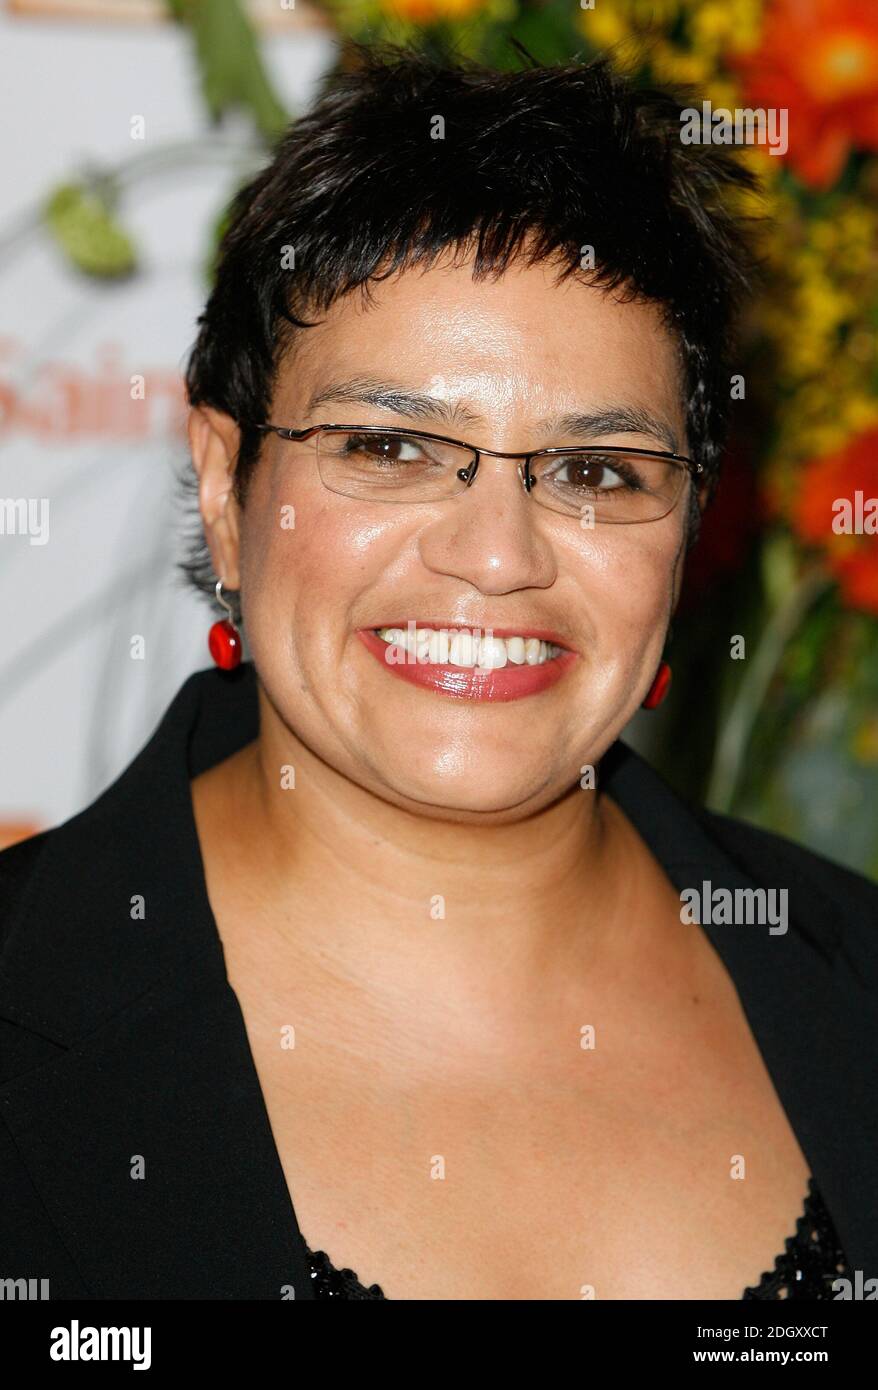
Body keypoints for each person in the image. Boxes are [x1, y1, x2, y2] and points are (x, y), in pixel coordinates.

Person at [1, 42, 876, 1303]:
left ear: (688, 525)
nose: (496, 556)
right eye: (392, 447)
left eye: (593, 470)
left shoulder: (850, 975)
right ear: (226, 488)